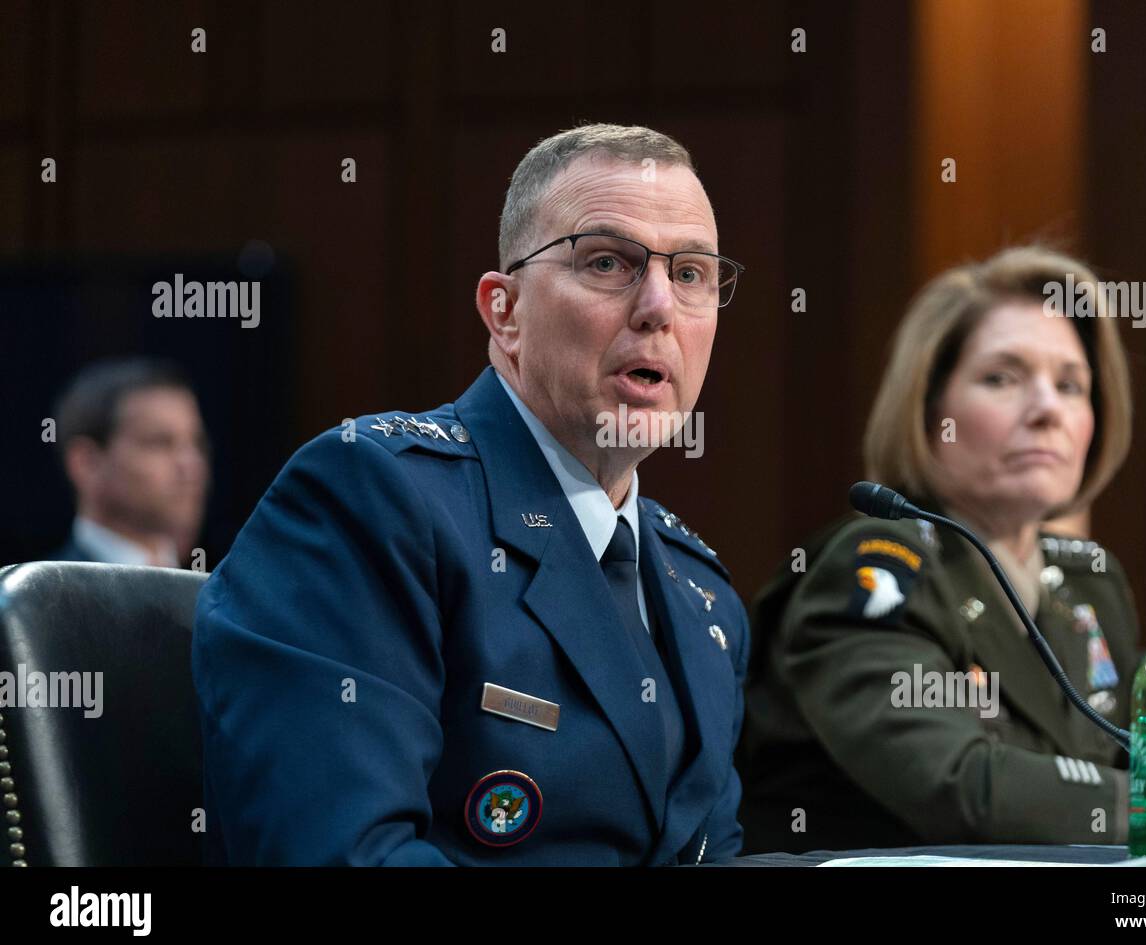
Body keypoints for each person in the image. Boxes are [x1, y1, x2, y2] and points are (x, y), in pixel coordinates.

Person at [192, 123, 751, 865]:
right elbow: (347, 854)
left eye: (690, 273)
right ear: (504, 312)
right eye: (608, 262)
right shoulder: (371, 499)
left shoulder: (703, 598)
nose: (659, 307)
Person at [739, 246, 1146, 851]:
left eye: (1070, 385)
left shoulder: (1087, 578)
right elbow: (963, 786)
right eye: (1002, 378)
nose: (1047, 410)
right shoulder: (878, 567)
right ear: (929, 412)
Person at [47, 357, 210, 568]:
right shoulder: (41, 588)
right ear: (86, 464)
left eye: (198, 444)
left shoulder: (215, 585)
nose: (191, 465)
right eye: (159, 442)